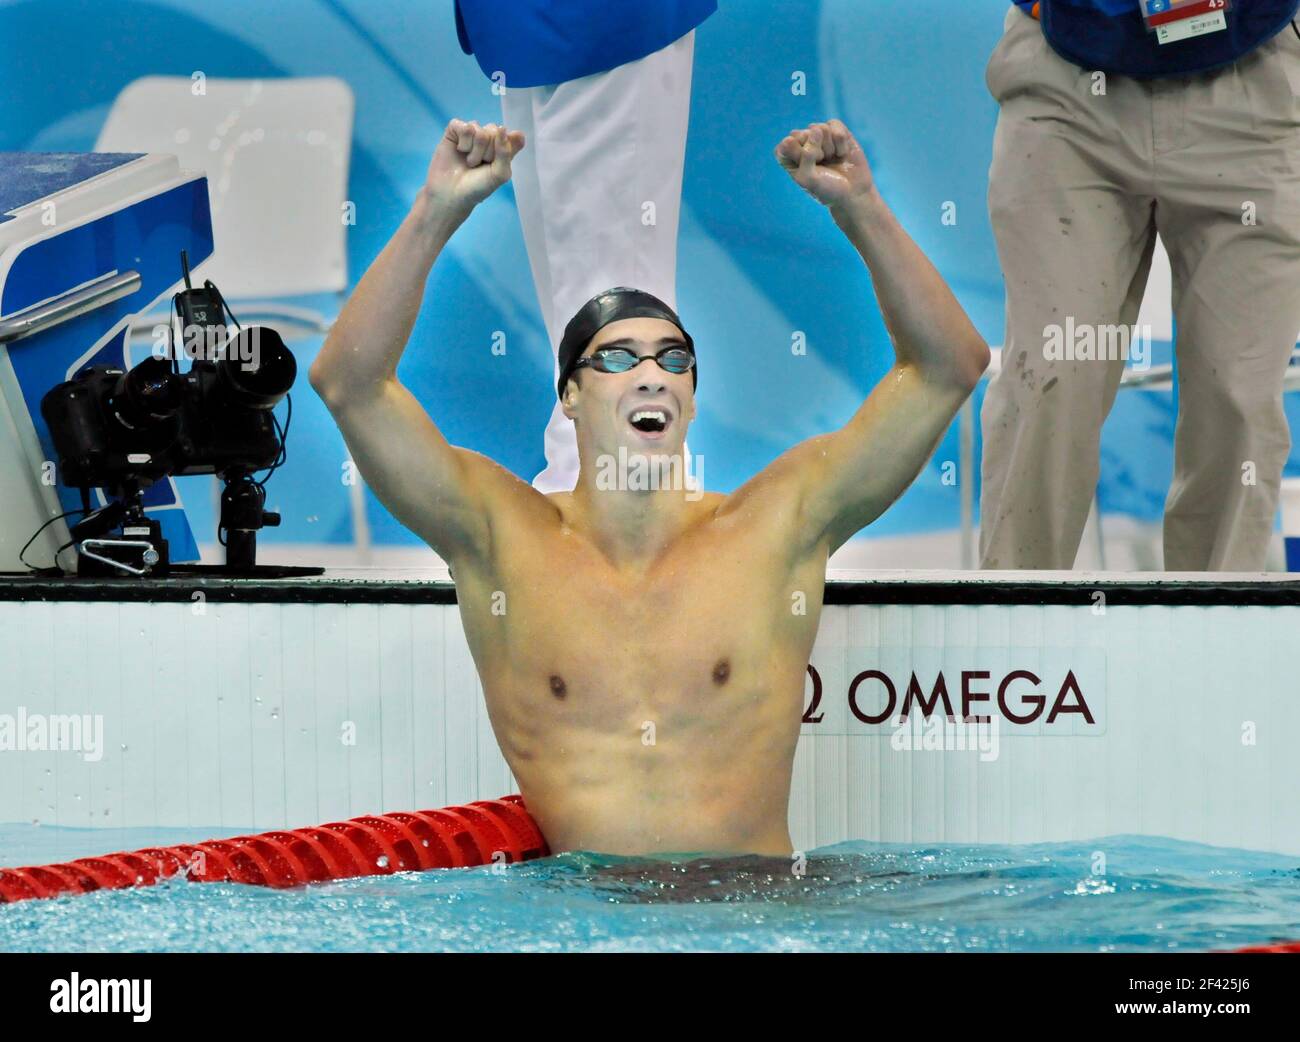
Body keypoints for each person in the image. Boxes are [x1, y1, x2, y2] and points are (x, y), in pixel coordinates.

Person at [309, 117, 989, 856]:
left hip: (753, 918)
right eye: (618, 359)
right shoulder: (500, 535)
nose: (651, 373)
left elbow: (947, 366)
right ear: (569, 397)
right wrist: (436, 211)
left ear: (692, 398)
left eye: (673, 359)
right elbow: (350, 384)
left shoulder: (777, 525)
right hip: (586, 920)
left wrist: (860, 206)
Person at [979, 0, 1300, 571]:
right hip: (1067, 79)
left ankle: (1209, 644)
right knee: (1055, 377)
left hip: (1255, 76)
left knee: (1238, 401)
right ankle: (1017, 635)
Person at [453, 0, 716, 493]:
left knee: (618, 300)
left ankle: (622, 515)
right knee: (574, 316)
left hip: (602, 19)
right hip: (521, 24)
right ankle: (584, 499)